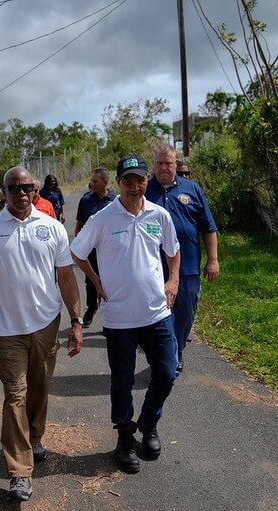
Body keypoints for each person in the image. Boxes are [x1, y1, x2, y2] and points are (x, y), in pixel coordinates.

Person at [0, 167, 83, 501]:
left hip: (46, 324)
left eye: (27, 187)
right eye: (13, 187)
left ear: (35, 190)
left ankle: (34, 438)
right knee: (15, 395)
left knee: (40, 388)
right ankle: (19, 471)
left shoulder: (52, 228)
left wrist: (76, 321)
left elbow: (65, 277)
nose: (21, 193)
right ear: (2, 191)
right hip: (8, 332)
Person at [70, 155, 180, 475]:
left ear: (148, 181)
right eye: (128, 181)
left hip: (157, 313)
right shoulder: (103, 219)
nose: (134, 186)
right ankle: (125, 437)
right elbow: (77, 252)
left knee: (167, 372)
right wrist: (96, 281)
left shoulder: (159, 215)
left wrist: (173, 279)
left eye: (140, 180)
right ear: (118, 183)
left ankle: (148, 422)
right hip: (119, 319)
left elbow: (173, 250)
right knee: (122, 381)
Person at [146, 145, 219, 375]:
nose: (164, 168)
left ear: (176, 164)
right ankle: (171, 355)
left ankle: (175, 348)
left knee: (186, 312)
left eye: (169, 163)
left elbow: (208, 228)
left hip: (188, 268)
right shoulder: (145, 191)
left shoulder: (192, 190)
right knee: (161, 315)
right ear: (153, 165)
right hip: (154, 269)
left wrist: (213, 259)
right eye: (159, 163)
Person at [74, 168, 117, 328]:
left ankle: (109, 321)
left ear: (106, 182)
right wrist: (80, 245)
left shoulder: (116, 201)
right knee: (91, 282)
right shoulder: (86, 200)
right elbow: (79, 224)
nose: (91, 184)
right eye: (91, 180)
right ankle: (91, 308)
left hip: (110, 251)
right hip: (91, 251)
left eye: (95, 181)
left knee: (110, 284)